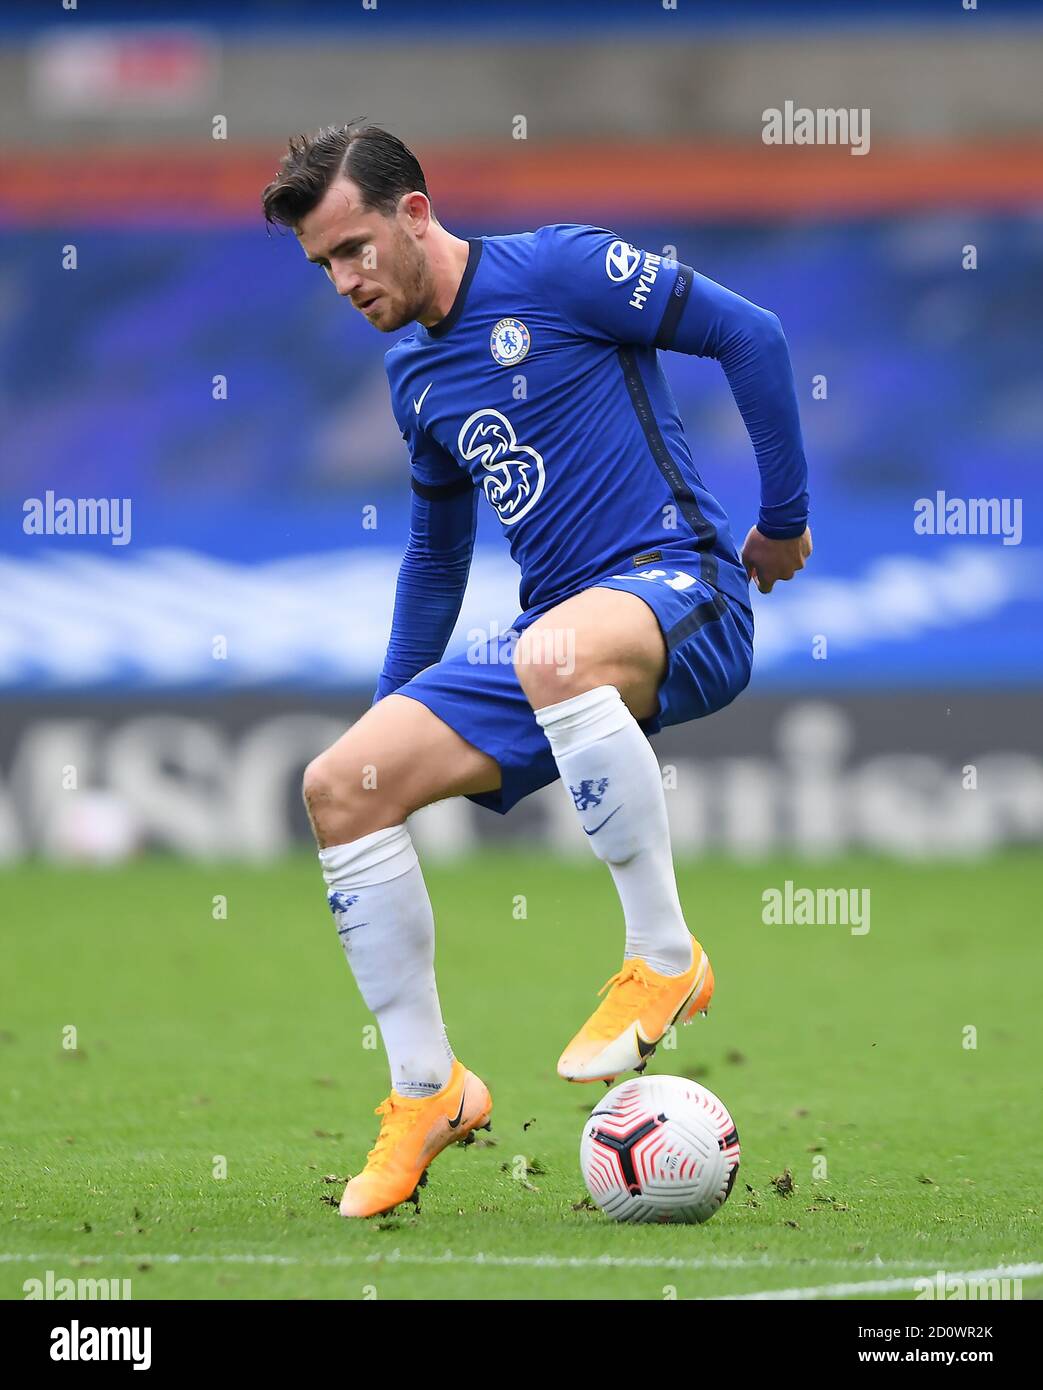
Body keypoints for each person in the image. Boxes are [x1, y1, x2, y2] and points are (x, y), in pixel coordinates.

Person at [261, 123, 812, 1218]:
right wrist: (395, 715)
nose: (344, 280)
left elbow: (752, 334)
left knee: (550, 647)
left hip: (683, 589)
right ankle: (428, 1091)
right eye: (324, 264)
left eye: (356, 247)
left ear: (414, 210)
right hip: (558, 642)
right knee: (339, 786)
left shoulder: (557, 269)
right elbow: (435, 554)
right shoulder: (413, 374)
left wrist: (782, 519)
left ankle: (664, 957)